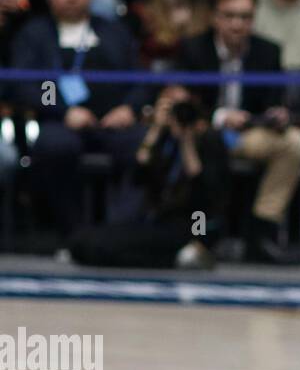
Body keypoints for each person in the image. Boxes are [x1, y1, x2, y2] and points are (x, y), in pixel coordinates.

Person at [10, 0, 149, 236]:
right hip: (61, 122)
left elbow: (141, 80)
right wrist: (62, 111)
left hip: (114, 121)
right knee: (54, 146)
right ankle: (72, 231)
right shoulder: (34, 34)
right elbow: (21, 85)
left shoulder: (114, 31)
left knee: (146, 144)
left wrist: (128, 108)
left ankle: (118, 231)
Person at [176, 0, 300, 263]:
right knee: (208, 143)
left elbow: (274, 99)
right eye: (230, 16)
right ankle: (205, 234)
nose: (238, 24)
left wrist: (278, 114)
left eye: (245, 17)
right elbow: (183, 104)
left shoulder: (267, 51)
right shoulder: (193, 48)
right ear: (215, 18)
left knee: (293, 143)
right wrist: (220, 117)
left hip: (250, 133)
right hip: (203, 134)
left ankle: (261, 233)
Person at [69, 86, 229, 269]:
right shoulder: (162, 140)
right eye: (171, 106)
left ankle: (182, 256)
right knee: (81, 240)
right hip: (157, 220)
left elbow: (206, 193)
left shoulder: (209, 138)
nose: (177, 113)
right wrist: (156, 128)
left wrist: (187, 140)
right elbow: (139, 175)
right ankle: (174, 258)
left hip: (193, 225)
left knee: (105, 248)